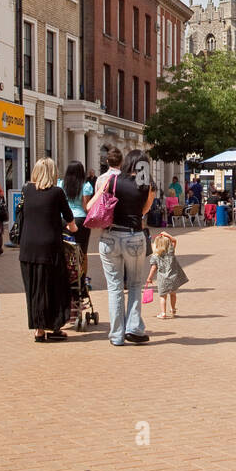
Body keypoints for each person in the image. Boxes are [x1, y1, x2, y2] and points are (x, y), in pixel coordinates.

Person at [96, 147, 155, 346]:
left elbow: (99, 203)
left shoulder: (112, 181)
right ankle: (135, 328)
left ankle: (116, 335)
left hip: (111, 235)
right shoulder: (146, 185)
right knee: (135, 284)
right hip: (134, 236)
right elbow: (144, 211)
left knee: (115, 288)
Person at [18, 158, 78, 342]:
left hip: (28, 247)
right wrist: (73, 229)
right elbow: (69, 218)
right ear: (52, 172)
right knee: (54, 287)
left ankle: (39, 329)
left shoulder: (26, 190)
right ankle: (54, 326)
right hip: (50, 248)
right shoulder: (57, 192)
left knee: (34, 289)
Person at [147, 232, 189, 318]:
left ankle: (163, 313)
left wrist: (149, 278)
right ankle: (173, 309)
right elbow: (174, 240)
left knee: (163, 296)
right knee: (173, 294)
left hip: (162, 279)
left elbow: (153, 268)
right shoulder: (170, 252)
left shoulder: (155, 256)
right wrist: (166, 234)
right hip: (173, 277)